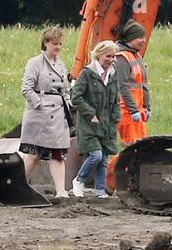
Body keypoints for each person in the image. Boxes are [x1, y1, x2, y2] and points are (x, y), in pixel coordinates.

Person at [20, 26, 73, 199]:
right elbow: (26, 88)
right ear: (45, 43)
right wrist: (39, 105)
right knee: (34, 154)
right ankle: (20, 185)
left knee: (57, 153)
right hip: (39, 115)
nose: (57, 47)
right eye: (54, 44)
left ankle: (60, 190)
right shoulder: (34, 63)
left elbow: (64, 88)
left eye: (60, 44)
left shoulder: (61, 64)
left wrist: (67, 102)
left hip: (58, 114)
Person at [69, 41, 120, 199]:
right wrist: (90, 113)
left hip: (106, 125)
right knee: (96, 155)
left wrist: (115, 119)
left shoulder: (112, 75)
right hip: (88, 125)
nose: (111, 59)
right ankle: (79, 180)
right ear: (98, 55)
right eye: (108, 56)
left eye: (113, 56)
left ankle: (100, 191)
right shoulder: (87, 73)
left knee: (104, 159)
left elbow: (116, 100)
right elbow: (76, 97)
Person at [114, 20, 151, 144]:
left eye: (144, 37)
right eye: (140, 37)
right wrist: (133, 110)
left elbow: (143, 85)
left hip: (137, 112)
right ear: (131, 38)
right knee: (130, 148)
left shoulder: (136, 56)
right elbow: (123, 87)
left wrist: (147, 107)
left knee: (141, 147)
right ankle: (114, 165)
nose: (143, 40)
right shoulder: (122, 58)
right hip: (127, 113)